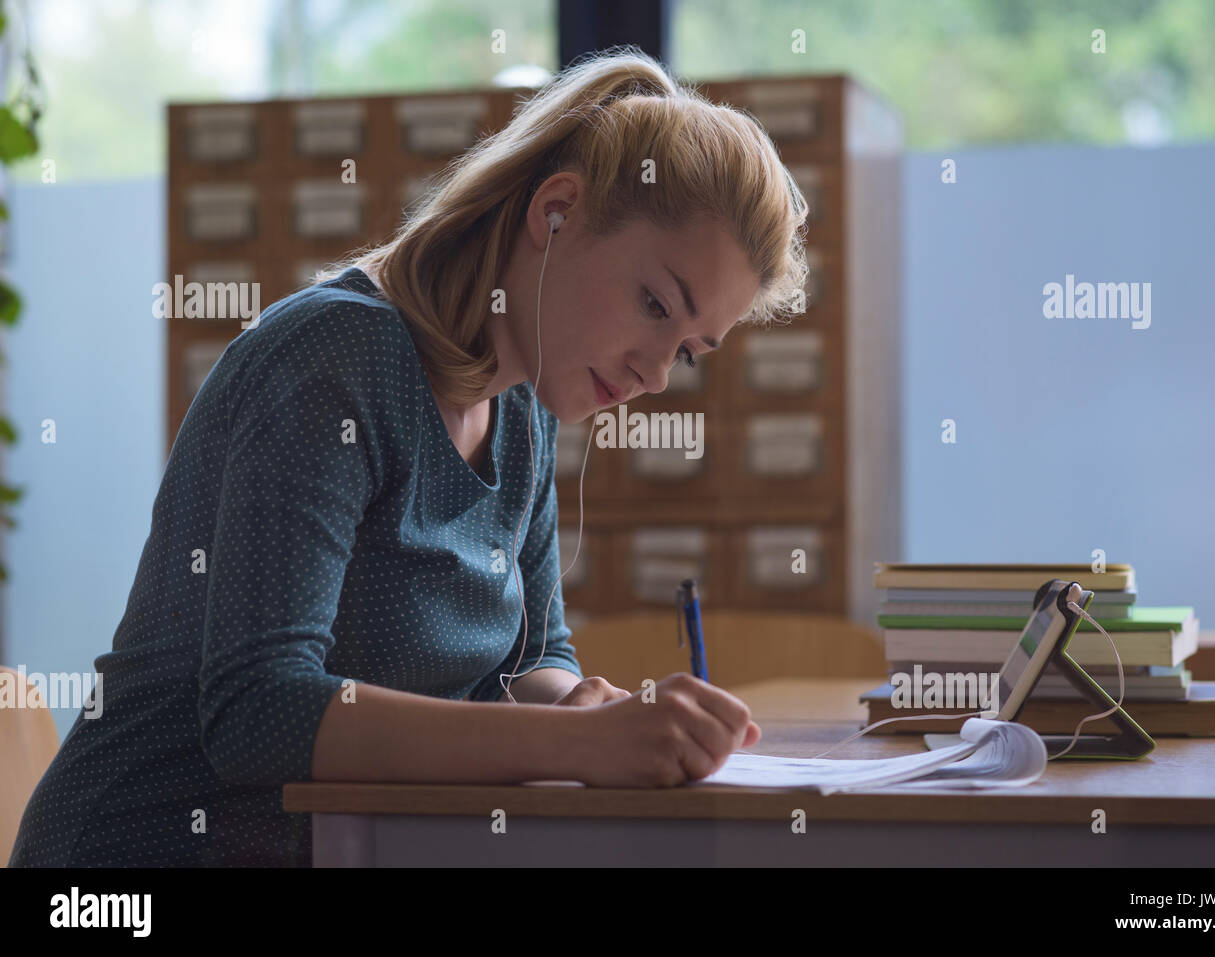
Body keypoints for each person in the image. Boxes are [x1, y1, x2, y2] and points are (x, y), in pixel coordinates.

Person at [9, 45, 808, 867]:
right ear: (557, 211)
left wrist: (576, 702)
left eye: (687, 350)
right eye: (653, 305)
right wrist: (577, 747)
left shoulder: (525, 407)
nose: (652, 372)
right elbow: (257, 713)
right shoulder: (332, 359)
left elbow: (527, 659)